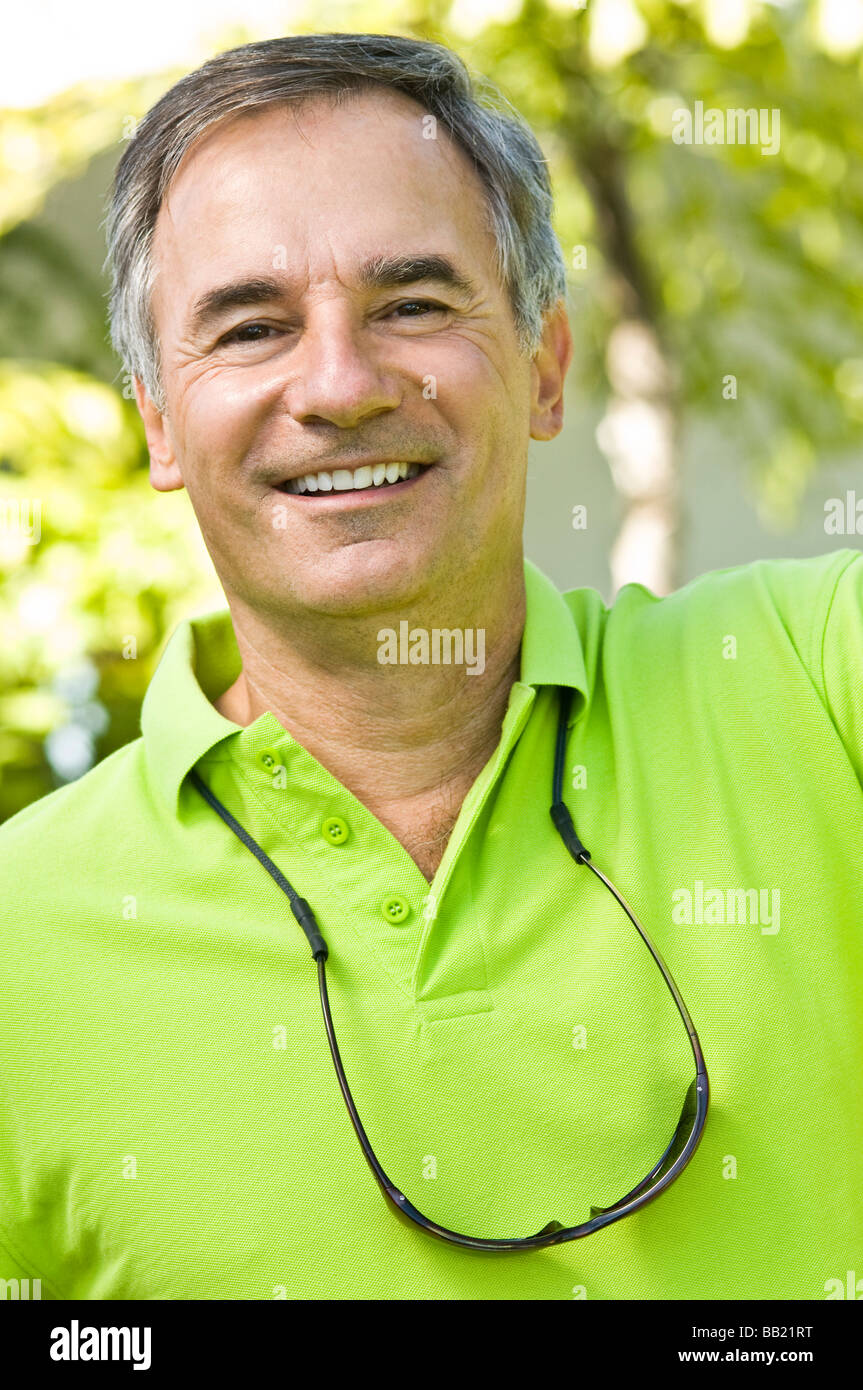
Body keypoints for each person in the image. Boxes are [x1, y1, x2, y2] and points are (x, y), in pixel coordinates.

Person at [0, 32, 860, 1301]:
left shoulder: (814, 674)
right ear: (161, 422)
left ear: (544, 365)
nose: (339, 384)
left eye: (411, 303)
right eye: (250, 326)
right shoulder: (21, 937)